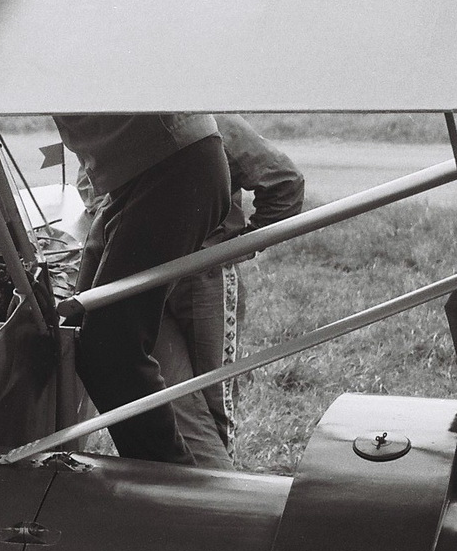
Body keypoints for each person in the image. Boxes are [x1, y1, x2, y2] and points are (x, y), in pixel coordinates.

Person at [54, 112, 231, 465]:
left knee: (110, 350)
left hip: (171, 165)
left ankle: (175, 489)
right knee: (76, 327)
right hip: (134, 175)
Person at [157, 115, 304, 468]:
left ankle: (224, 487)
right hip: (144, 276)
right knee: (162, 392)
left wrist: (240, 245)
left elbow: (285, 181)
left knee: (214, 395)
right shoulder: (125, 123)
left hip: (204, 277)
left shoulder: (212, 120)